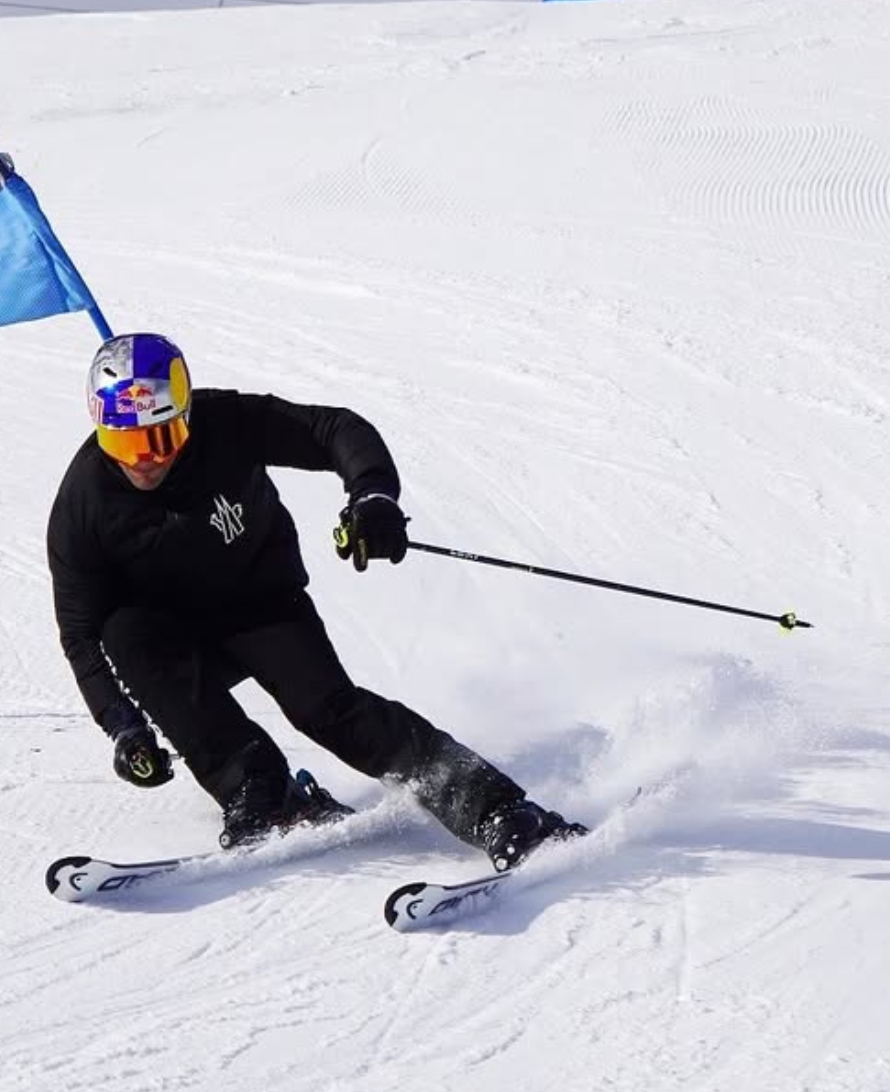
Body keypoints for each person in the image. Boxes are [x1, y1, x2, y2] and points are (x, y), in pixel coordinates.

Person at [46, 331, 586, 871]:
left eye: (162, 438)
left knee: (328, 711)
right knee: (122, 629)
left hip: (260, 603)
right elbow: (79, 630)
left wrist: (372, 496)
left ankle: (497, 809)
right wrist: (122, 724)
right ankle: (256, 788)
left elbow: (334, 430)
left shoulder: (225, 424)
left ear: (186, 415)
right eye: (124, 444)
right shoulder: (83, 505)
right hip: (176, 641)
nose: (145, 461)